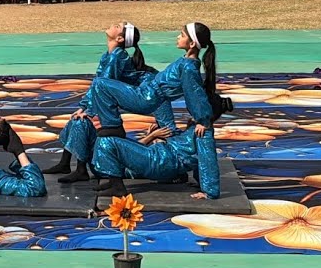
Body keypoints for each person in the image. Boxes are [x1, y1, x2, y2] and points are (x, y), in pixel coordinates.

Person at [87, 22, 228, 199]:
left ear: (192, 43)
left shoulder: (189, 68)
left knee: (101, 85)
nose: (178, 37)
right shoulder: (186, 62)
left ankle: (112, 126)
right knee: (104, 105)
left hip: (146, 98)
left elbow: (194, 93)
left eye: (182, 35)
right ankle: (114, 176)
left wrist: (203, 119)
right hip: (151, 98)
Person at [47, 23, 174, 183]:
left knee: (168, 129)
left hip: (146, 94)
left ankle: (82, 168)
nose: (115, 24)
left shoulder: (117, 56)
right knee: (78, 121)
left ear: (120, 38)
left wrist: (90, 110)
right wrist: (83, 107)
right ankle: (67, 164)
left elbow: (105, 84)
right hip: (134, 93)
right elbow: (97, 84)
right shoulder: (108, 55)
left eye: (119, 26)